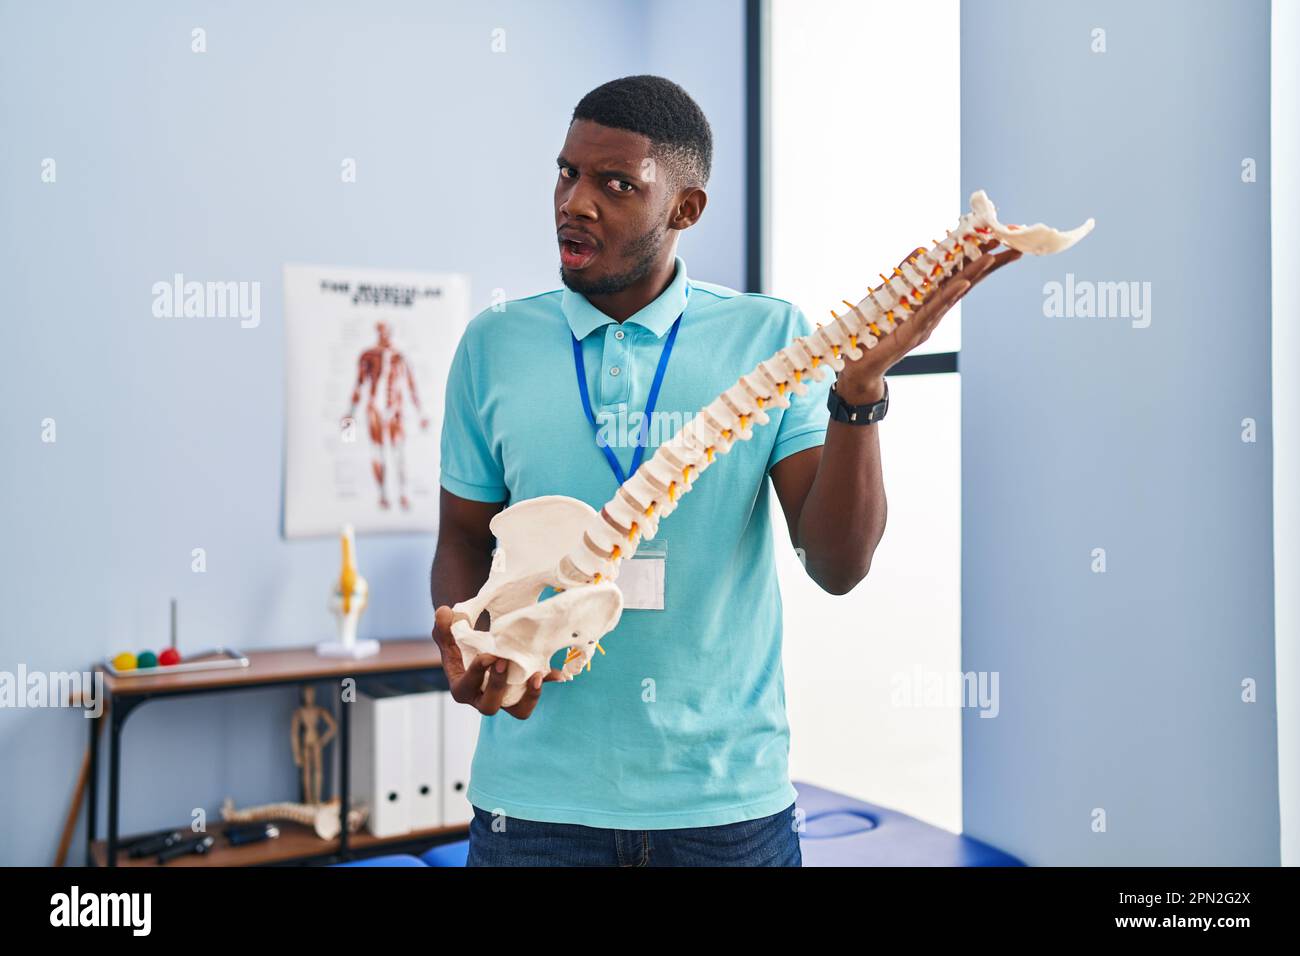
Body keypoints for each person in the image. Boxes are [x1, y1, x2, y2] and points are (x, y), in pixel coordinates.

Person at [429, 75, 1018, 866]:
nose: (575, 202)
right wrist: (468, 639)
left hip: (726, 815)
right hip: (533, 811)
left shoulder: (770, 336)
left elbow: (837, 565)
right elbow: (463, 541)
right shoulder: (493, 343)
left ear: (686, 209)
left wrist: (859, 394)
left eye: (615, 184)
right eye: (566, 172)